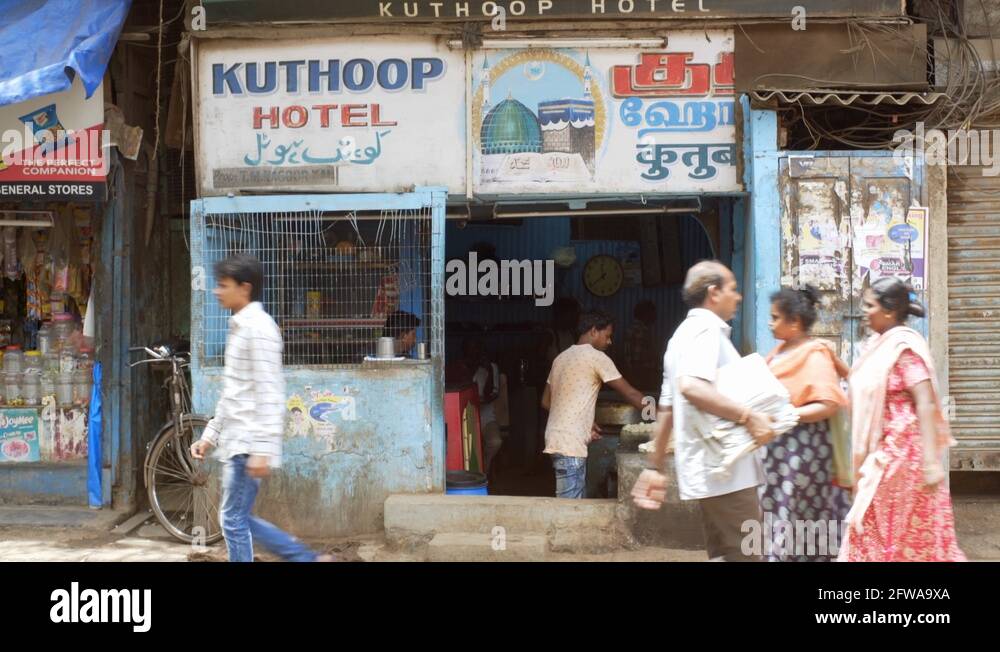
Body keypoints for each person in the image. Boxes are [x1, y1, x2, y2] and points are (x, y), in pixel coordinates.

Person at [190, 253, 332, 563]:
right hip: (237, 441)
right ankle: (306, 559)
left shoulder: (260, 329)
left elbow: (271, 391)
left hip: (248, 442)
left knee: (233, 519)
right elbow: (233, 392)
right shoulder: (240, 326)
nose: (217, 291)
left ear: (245, 288)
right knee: (236, 517)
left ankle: (305, 559)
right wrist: (210, 435)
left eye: (223, 285)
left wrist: (263, 448)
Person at [632, 260, 775, 561]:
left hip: (710, 471)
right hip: (727, 470)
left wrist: (654, 466)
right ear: (714, 292)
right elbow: (692, 387)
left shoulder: (680, 337)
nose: (738, 297)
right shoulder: (705, 331)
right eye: (733, 290)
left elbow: (667, 409)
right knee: (749, 554)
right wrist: (748, 417)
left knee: (723, 555)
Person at [838, 277, 965, 562]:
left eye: (869, 305)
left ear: (889, 310)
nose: (863, 311)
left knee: (891, 528)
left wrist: (932, 463)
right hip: (884, 455)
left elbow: (925, 402)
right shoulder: (878, 346)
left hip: (905, 460)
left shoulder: (905, 349)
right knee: (878, 526)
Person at [763, 285, 852, 561]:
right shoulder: (779, 352)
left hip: (804, 454)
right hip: (779, 450)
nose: (770, 322)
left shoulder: (814, 354)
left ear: (795, 322)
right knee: (778, 511)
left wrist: (789, 414)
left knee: (797, 514)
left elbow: (828, 404)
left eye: (776, 317)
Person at [541, 310, 647, 499]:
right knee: (569, 510)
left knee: (570, 504)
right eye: (607, 336)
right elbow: (630, 393)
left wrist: (584, 421)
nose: (609, 342)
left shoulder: (561, 358)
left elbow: (546, 401)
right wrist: (658, 414)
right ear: (593, 331)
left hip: (555, 438)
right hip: (571, 445)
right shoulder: (596, 357)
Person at [462, 339, 504, 476]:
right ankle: (472, 474)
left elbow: (495, 392)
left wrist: (482, 401)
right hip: (466, 417)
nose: (473, 352)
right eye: (470, 349)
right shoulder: (461, 367)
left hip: (486, 417)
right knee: (467, 447)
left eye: (476, 349)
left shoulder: (490, 367)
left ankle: (483, 470)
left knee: (495, 441)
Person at [625, 300, 658, 390]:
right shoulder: (640, 330)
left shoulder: (632, 328)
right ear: (645, 314)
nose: (655, 316)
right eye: (653, 313)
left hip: (635, 375)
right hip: (640, 376)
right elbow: (637, 359)